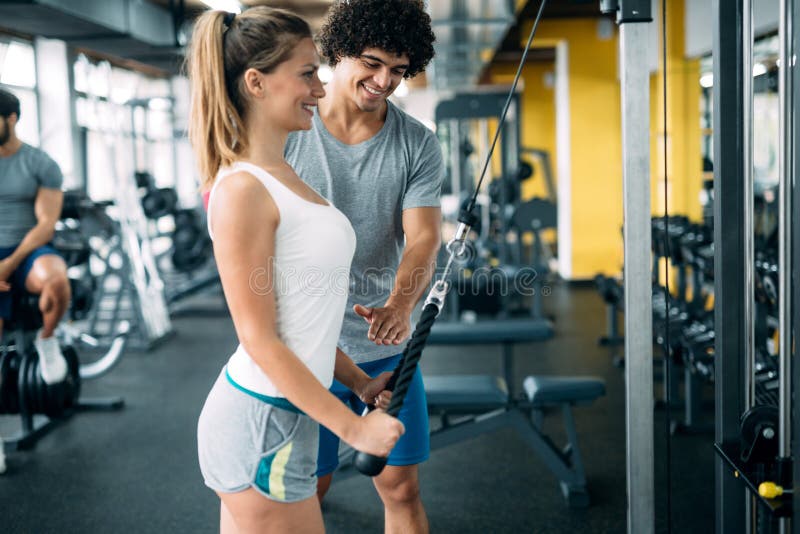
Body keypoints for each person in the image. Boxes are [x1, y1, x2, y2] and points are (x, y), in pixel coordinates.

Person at [189, 8, 404, 533]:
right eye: (307, 73)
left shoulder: (282, 173)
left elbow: (298, 319)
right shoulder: (242, 190)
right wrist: (354, 431)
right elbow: (260, 339)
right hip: (264, 421)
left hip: (285, 416)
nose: (320, 86)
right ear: (256, 83)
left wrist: (356, 380)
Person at [284, 1, 442, 532]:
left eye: (398, 70)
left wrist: (401, 304)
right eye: (372, 63)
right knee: (310, 486)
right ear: (338, 51)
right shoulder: (288, 132)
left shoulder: (416, 142)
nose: (384, 81)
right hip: (304, 347)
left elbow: (422, 237)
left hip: (381, 350)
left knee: (400, 487)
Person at [0, 88, 70, 385]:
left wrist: (9, 264)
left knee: (56, 280)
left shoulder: (40, 163)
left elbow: (46, 225)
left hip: (28, 250)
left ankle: (47, 339)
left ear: (11, 119)